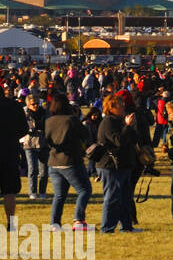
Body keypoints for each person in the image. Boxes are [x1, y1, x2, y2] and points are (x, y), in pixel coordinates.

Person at [42, 93, 93, 230]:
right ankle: (78, 219)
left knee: (59, 195)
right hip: (70, 160)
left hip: (53, 161)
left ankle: (54, 223)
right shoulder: (71, 120)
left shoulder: (48, 121)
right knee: (84, 190)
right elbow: (85, 135)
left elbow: (45, 141)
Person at [96, 93, 141, 233]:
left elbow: (132, 140)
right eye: (120, 105)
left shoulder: (120, 120)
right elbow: (118, 141)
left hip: (123, 164)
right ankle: (107, 228)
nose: (123, 107)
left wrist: (131, 127)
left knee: (125, 197)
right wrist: (127, 127)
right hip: (111, 165)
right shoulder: (108, 122)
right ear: (112, 107)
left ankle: (126, 226)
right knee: (112, 197)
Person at [22, 93, 48, 200]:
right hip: (29, 144)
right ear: (28, 105)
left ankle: (42, 192)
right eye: (33, 104)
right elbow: (21, 127)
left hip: (42, 143)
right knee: (32, 169)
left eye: (37, 103)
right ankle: (32, 192)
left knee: (44, 171)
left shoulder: (44, 113)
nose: (36, 106)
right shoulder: (24, 114)